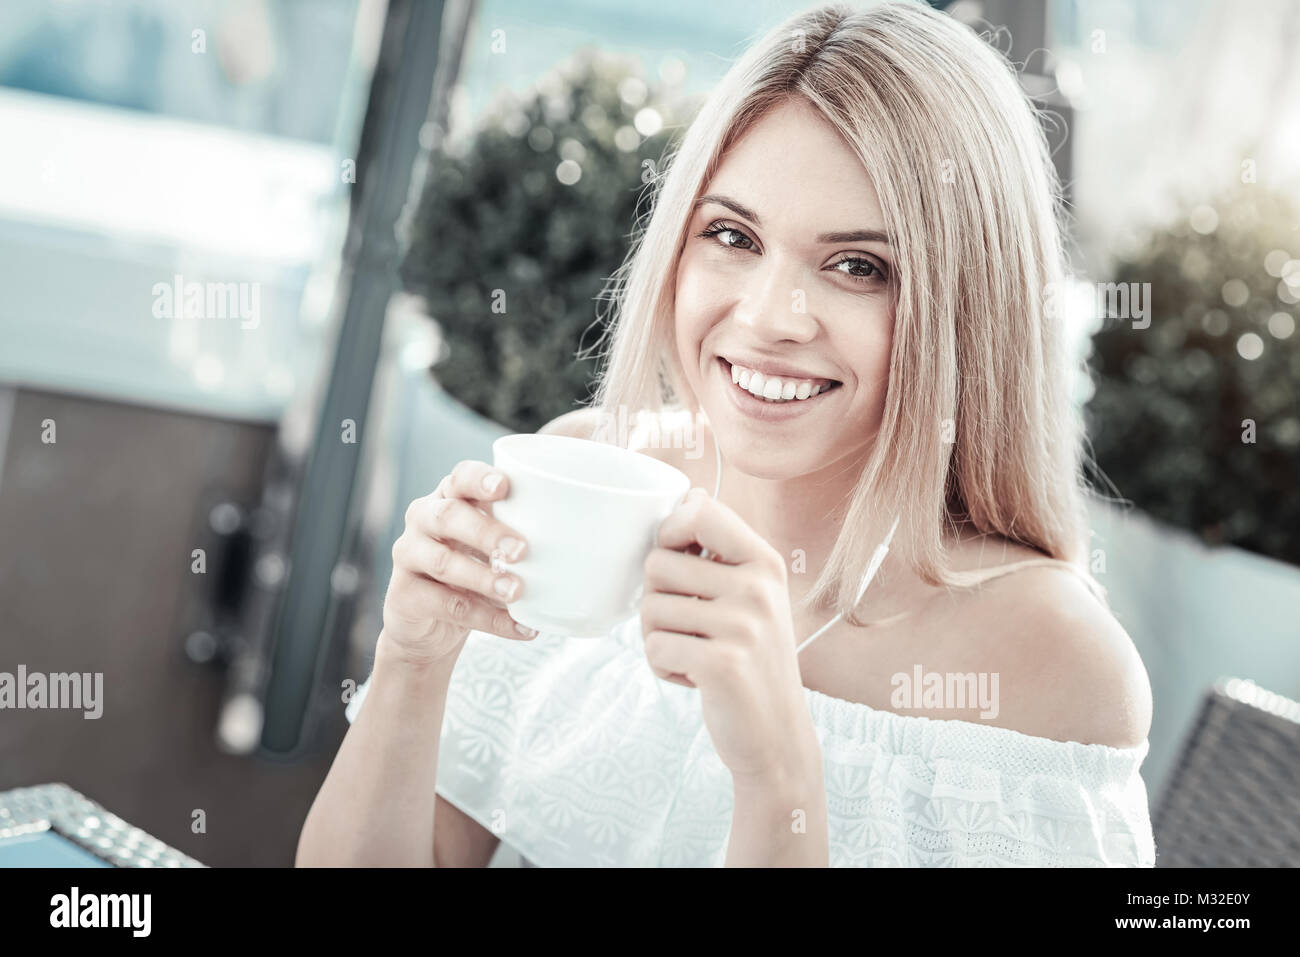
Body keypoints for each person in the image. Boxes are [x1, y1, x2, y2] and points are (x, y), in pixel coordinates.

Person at [297, 0, 1156, 867]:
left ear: (970, 311)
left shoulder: (1060, 669)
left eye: (858, 266)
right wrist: (411, 660)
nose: (766, 316)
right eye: (732, 235)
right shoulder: (593, 482)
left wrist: (780, 778)